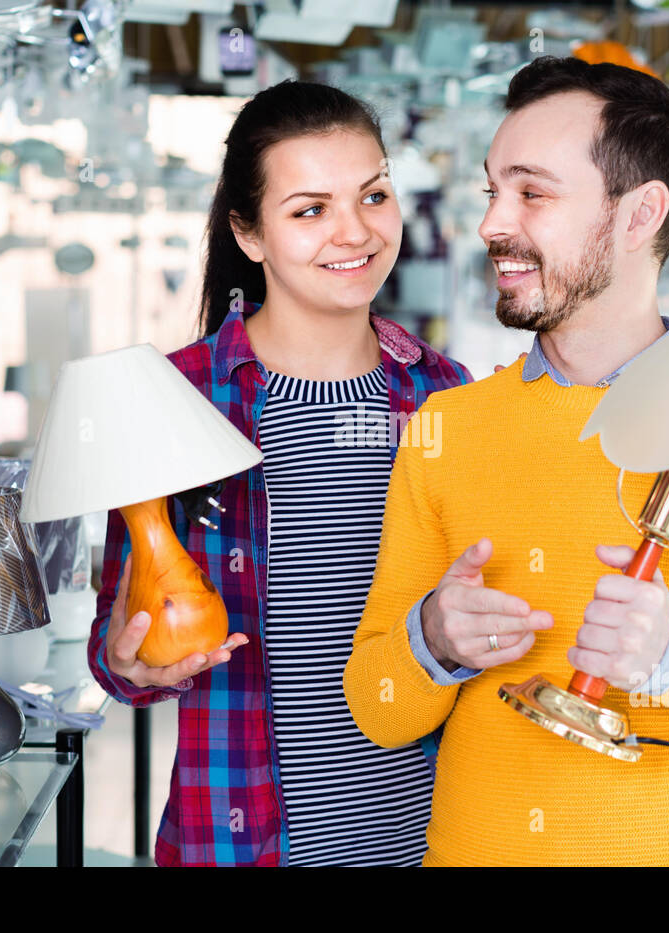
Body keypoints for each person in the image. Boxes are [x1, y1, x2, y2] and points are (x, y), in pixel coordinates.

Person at [343, 57, 669, 866]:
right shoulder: (446, 426)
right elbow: (378, 708)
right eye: (492, 192)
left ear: (640, 213)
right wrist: (431, 641)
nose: (491, 225)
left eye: (532, 193)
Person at [87, 80, 471, 866]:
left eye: (373, 195)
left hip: (432, 835)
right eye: (309, 210)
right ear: (249, 233)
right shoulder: (178, 396)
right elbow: (118, 647)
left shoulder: (446, 395)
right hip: (243, 836)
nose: (355, 232)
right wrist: (128, 664)